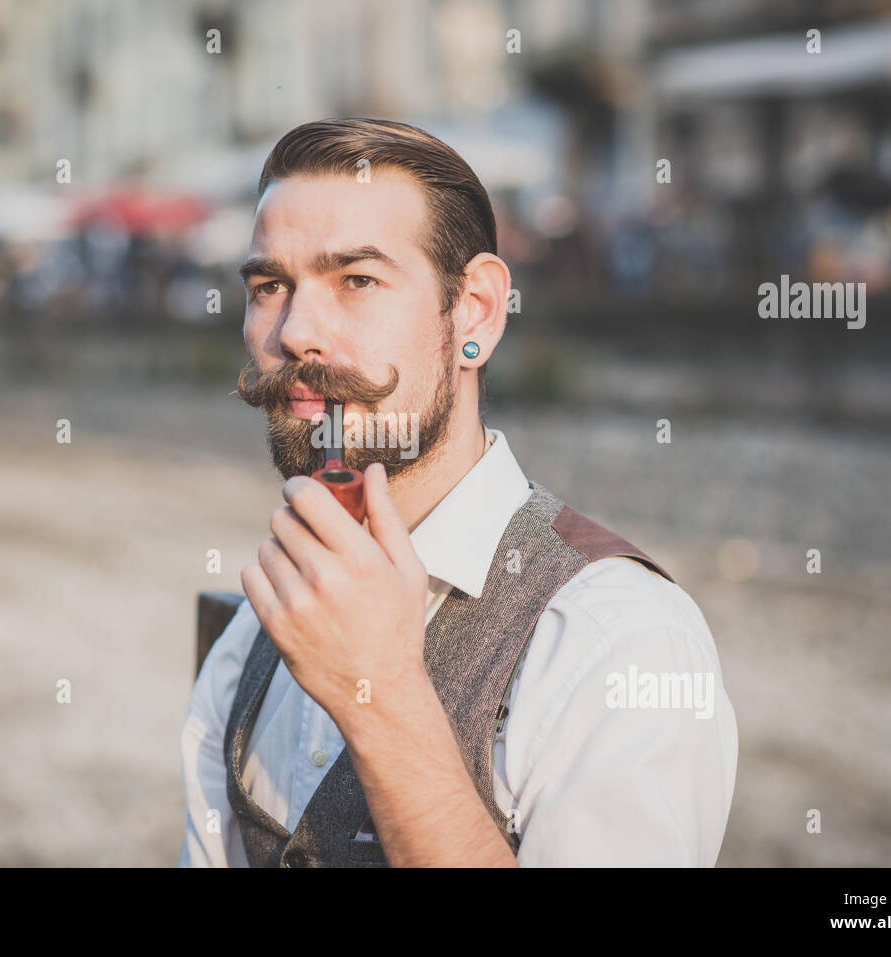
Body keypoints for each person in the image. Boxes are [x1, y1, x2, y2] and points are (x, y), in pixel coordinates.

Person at [178, 118, 737, 867]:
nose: (295, 332)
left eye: (357, 280)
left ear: (474, 310)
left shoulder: (618, 641)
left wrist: (382, 697)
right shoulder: (248, 640)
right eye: (270, 285)